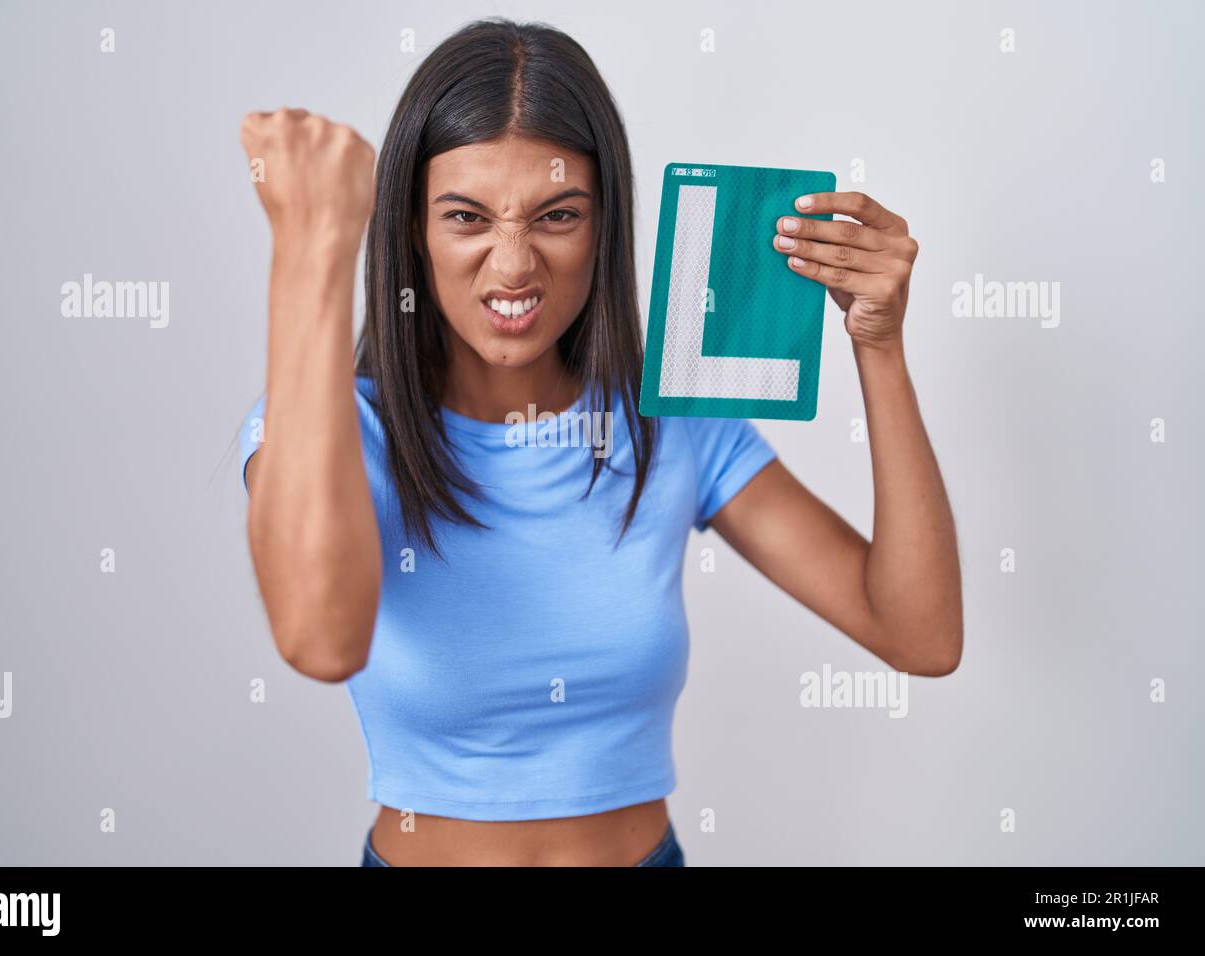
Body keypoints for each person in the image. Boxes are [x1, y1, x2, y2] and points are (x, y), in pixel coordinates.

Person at [236, 17, 961, 867]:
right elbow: (320, 639)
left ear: (605, 225)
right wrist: (311, 249)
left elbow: (919, 634)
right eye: (466, 216)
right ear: (411, 231)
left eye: (557, 215)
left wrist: (878, 346)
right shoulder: (338, 430)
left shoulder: (671, 417)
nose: (512, 267)